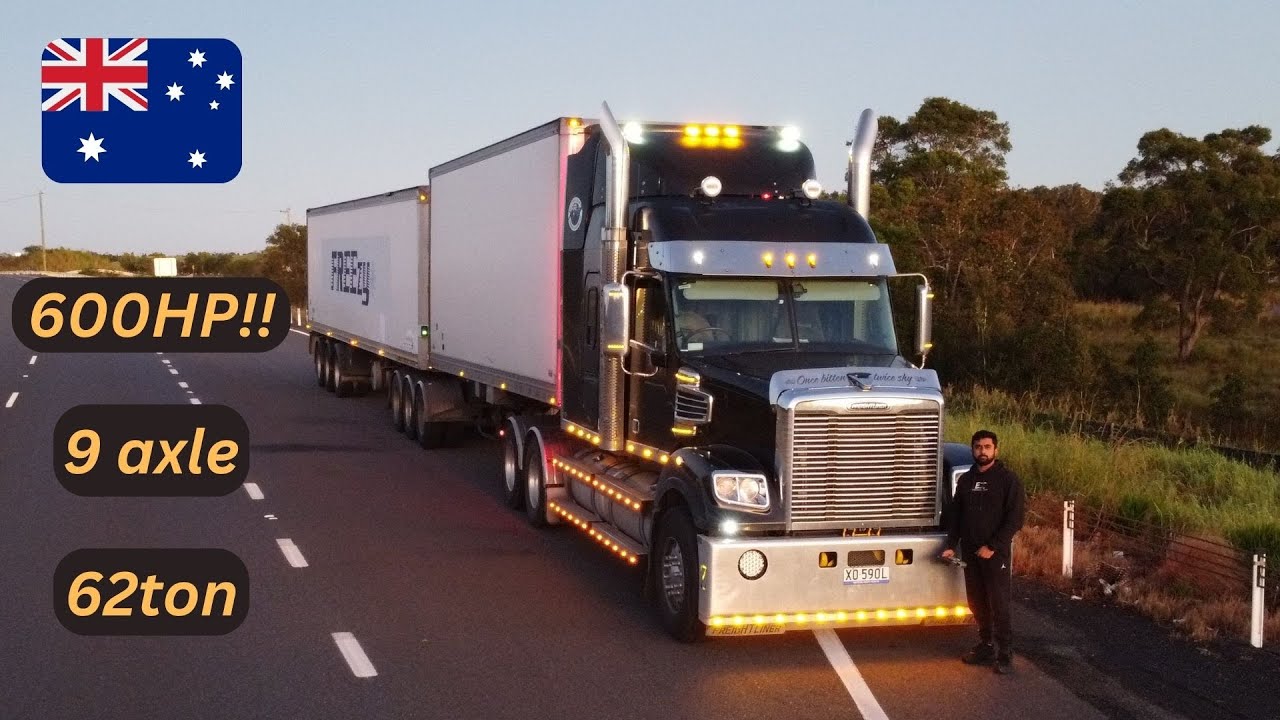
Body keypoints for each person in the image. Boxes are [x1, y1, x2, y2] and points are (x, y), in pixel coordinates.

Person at [941, 429, 1026, 675]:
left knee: (998, 604)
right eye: (978, 447)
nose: (982, 451)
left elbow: (1015, 519)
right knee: (976, 601)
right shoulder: (966, 480)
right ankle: (986, 645)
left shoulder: (1008, 480)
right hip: (970, 554)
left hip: (994, 555)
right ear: (973, 450)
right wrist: (950, 545)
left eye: (987, 447)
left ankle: (1005, 653)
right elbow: (956, 516)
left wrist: (993, 546)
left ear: (996, 450)